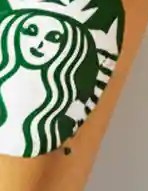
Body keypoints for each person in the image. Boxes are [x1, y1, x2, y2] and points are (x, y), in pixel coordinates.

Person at [0, 10, 94, 158]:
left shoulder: (62, 90)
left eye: (54, 38)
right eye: (31, 31)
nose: (39, 43)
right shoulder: (7, 74)